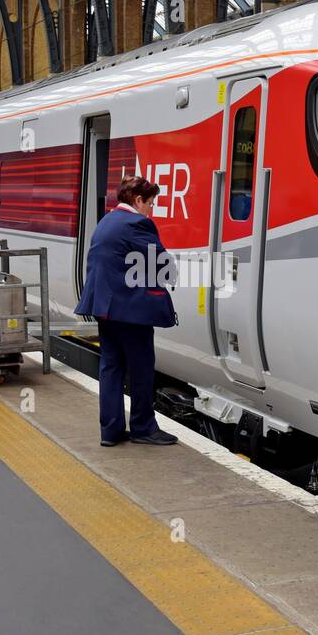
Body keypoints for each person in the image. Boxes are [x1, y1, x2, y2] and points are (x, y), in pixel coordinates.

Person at [75, 176, 178, 447]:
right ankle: (143, 428)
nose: (150, 209)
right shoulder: (137, 223)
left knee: (111, 368)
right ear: (138, 200)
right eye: (150, 203)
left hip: (105, 308)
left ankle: (110, 432)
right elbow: (162, 265)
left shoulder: (107, 221)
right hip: (129, 311)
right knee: (141, 368)